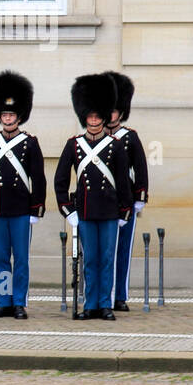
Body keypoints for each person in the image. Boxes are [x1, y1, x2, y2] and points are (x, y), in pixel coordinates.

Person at [55, 74, 132, 320]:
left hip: (109, 212)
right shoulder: (74, 145)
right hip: (86, 211)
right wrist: (69, 210)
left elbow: (123, 182)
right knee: (90, 261)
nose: (94, 120)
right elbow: (60, 181)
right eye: (90, 117)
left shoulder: (116, 146)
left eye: (97, 116)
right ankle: (90, 304)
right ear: (84, 117)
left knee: (107, 259)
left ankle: (105, 304)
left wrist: (124, 211)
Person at [0, 71, 46, 318]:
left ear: (19, 116)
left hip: (21, 211)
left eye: (11, 114)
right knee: (1, 258)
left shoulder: (30, 142)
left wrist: (36, 209)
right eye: (4, 114)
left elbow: (39, 178)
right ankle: (3, 300)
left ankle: (19, 302)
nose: (8, 118)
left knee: (21, 260)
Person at [105, 72, 150, 311]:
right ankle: (102, 295)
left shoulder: (129, 137)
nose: (111, 115)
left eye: (114, 110)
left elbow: (140, 168)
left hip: (125, 202)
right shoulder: (94, 139)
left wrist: (139, 198)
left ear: (121, 112)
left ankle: (119, 296)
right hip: (101, 202)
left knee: (123, 251)